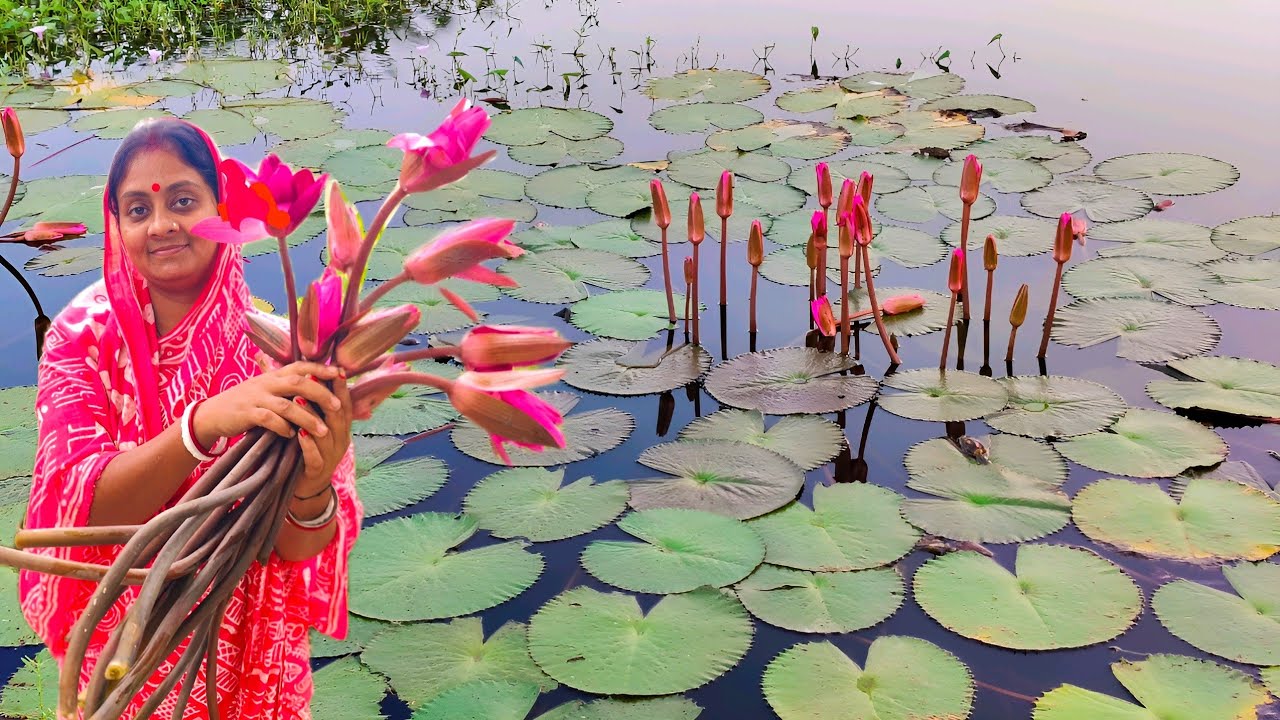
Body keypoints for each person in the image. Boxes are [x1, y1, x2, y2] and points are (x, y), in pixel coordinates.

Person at [19, 117, 364, 718]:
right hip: (126, 648)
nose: (162, 225)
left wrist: (311, 485)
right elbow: (81, 507)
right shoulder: (82, 339)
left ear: (223, 211)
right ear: (115, 224)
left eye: (183, 201)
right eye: (136, 210)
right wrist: (200, 426)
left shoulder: (283, 353)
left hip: (254, 654)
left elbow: (296, 547)